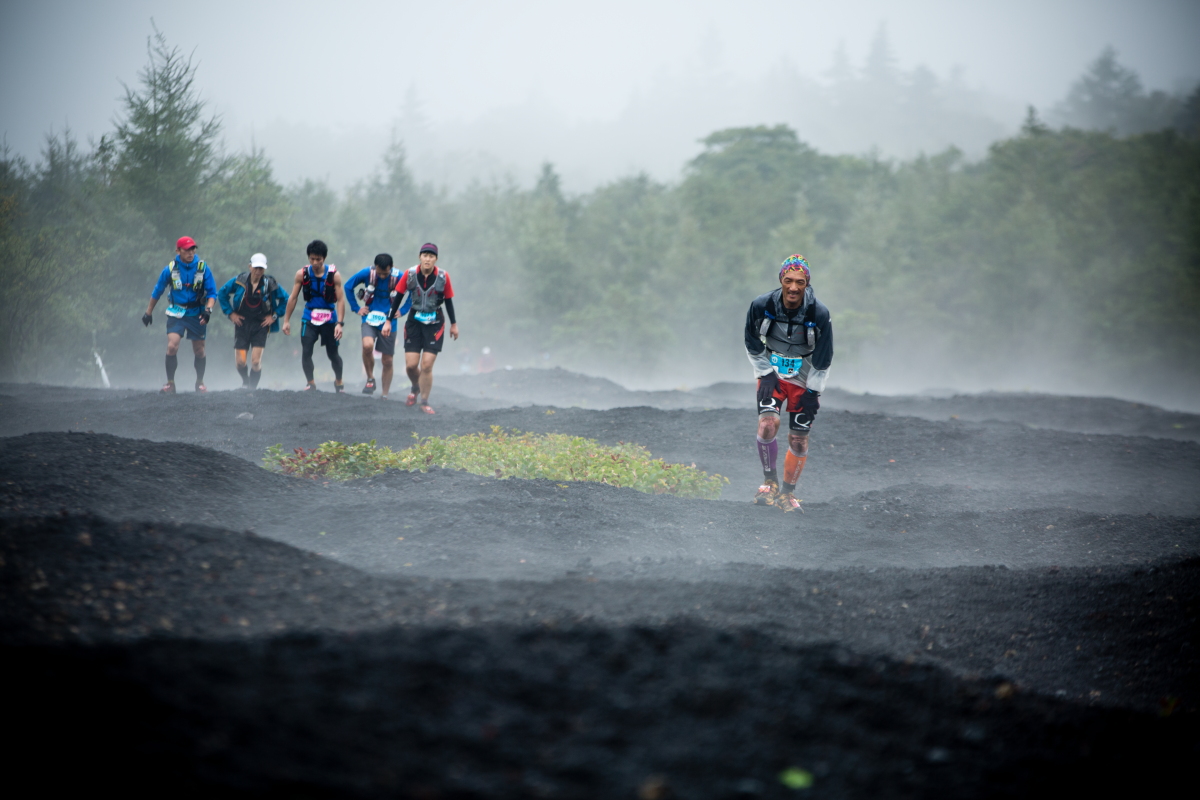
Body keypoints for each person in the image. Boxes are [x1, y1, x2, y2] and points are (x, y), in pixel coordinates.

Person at [745, 255, 834, 512]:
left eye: (800, 282)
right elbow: (751, 339)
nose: (793, 287)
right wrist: (765, 372)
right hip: (772, 371)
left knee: (798, 440)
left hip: (804, 377)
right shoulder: (761, 305)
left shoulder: (819, 312)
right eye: (788, 281)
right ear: (780, 280)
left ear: (807, 283)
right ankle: (769, 483)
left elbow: (824, 355)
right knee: (767, 425)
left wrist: (813, 391)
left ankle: (787, 494)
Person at [388, 242, 458, 413]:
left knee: (426, 365)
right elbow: (398, 297)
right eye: (425, 255)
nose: (428, 259)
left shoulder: (443, 277)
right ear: (420, 257)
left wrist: (454, 324)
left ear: (436, 259)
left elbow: (448, 301)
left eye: (431, 256)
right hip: (414, 322)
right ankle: (415, 387)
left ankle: (424, 402)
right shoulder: (410, 274)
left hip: (435, 322)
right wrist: (388, 320)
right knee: (411, 365)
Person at [143, 236, 218, 394]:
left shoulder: (203, 268)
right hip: (176, 312)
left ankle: (200, 382)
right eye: (187, 250)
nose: (191, 252)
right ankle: (170, 383)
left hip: (197, 312)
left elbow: (212, 293)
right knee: (172, 346)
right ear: (178, 251)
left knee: (199, 350)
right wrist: (148, 312)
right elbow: (158, 290)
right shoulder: (170, 269)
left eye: (193, 249)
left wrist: (208, 310)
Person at [281, 240, 348, 392]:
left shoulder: (334, 275)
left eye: (318, 259)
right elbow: (293, 297)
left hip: (329, 318)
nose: (315, 262)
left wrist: (340, 323)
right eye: (312, 259)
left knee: (333, 354)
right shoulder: (302, 274)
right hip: (309, 317)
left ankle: (339, 381)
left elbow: (341, 300)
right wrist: (286, 321)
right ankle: (310, 383)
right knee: (306, 351)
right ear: (308, 258)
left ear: (324, 258)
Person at [217, 253, 289, 389]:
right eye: (255, 267)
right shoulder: (239, 281)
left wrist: (274, 316)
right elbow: (221, 294)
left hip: (260, 325)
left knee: (255, 361)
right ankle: (245, 382)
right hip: (242, 324)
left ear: (265, 269)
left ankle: (252, 389)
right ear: (250, 267)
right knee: (240, 362)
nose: (258, 271)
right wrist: (231, 313)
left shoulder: (270, 284)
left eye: (261, 268)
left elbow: (286, 299)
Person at [345, 253, 411, 398]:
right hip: (369, 317)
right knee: (367, 345)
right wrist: (356, 308)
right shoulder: (367, 273)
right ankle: (370, 378)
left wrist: (403, 310)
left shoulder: (399, 276)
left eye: (385, 273)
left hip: (389, 320)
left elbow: (413, 292)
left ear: (391, 268)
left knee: (387, 360)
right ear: (375, 268)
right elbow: (348, 286)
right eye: (379, 273)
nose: (381, 276)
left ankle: (384, 395)